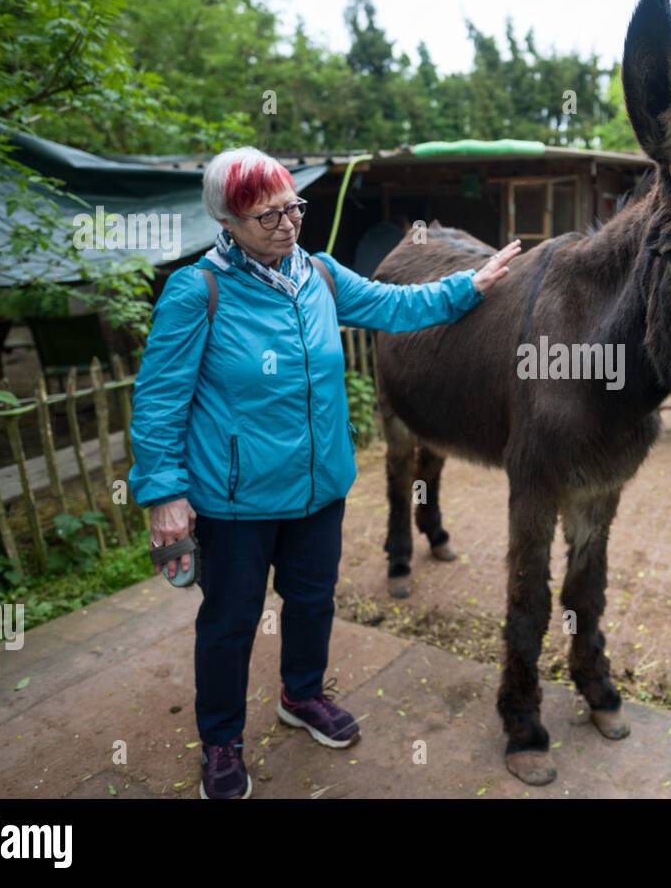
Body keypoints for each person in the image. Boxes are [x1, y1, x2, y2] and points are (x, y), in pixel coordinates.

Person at [128, 146, 520, 799]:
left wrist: (469, 287)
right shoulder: (199, 291)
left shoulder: (321, 276)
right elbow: (159, 401)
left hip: (317, 491)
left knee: (312, 603)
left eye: (293, 209)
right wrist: (164, 494)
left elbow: (397, 307)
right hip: (234, 503)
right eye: (265, 217)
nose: (285, 226)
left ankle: (301, 695)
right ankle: (222, 742)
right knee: (230, 623)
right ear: (227, 220)